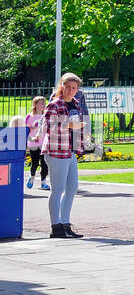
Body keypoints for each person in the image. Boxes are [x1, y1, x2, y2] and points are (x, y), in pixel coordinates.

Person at [43, 73, 92, 238]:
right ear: (61, 86)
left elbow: (77, 126)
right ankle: (56, 227)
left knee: (72, 188)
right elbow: (47, 127)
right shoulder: (55, 104)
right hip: (56, 151)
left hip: (70, 151)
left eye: (74, 88)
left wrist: (82, 132)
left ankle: (65, 224)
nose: (71, 90)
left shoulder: (76, 103)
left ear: (77, 89)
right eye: (68, 87)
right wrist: (68, 125)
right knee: (57, 190)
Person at [23, 96, 49, 190]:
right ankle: (32, 177)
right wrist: (36, 127)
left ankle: (43, 182)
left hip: (44, 143)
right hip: (33, 143)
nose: (44, 105)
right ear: (35, 105)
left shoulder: (46, 116)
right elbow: (26, 130)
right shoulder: (29, 117)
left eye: (44, 103)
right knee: (35, 163)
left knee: (44, 163)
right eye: (41, 103)